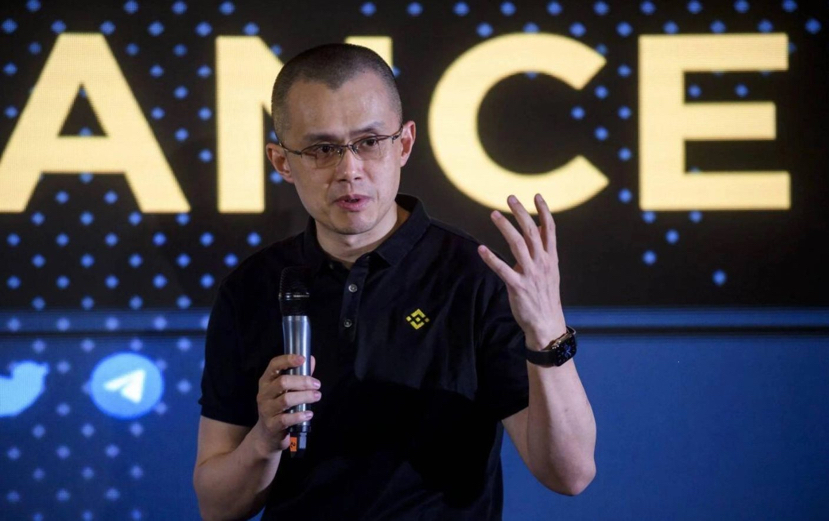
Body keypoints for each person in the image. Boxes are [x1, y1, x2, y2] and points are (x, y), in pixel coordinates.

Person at [194, 43, 596, 521]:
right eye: (323, 149)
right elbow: (217, 506)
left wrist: (547, 332)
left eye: (369, 142)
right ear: (282, 161)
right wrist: (264, 438)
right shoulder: (251, 288)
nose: (349, 171)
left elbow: (570, 475)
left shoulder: (473, 277)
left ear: (403, 145)